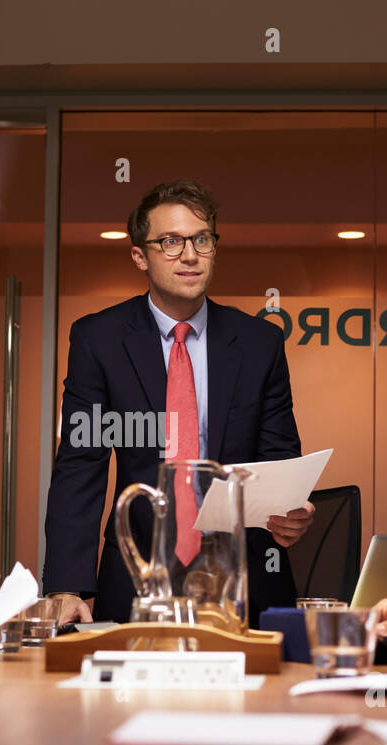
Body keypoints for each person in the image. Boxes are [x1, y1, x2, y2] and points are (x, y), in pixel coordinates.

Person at [43, 178, 315, 626]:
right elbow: (80, 465)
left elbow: (278, 460)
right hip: (138, 572)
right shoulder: (100, 340)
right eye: (171, 242)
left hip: (242, 577)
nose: (189, 255)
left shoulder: (259, 343)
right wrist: (67, 587)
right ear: (140, 256)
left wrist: (291, 510)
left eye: (201, 240)